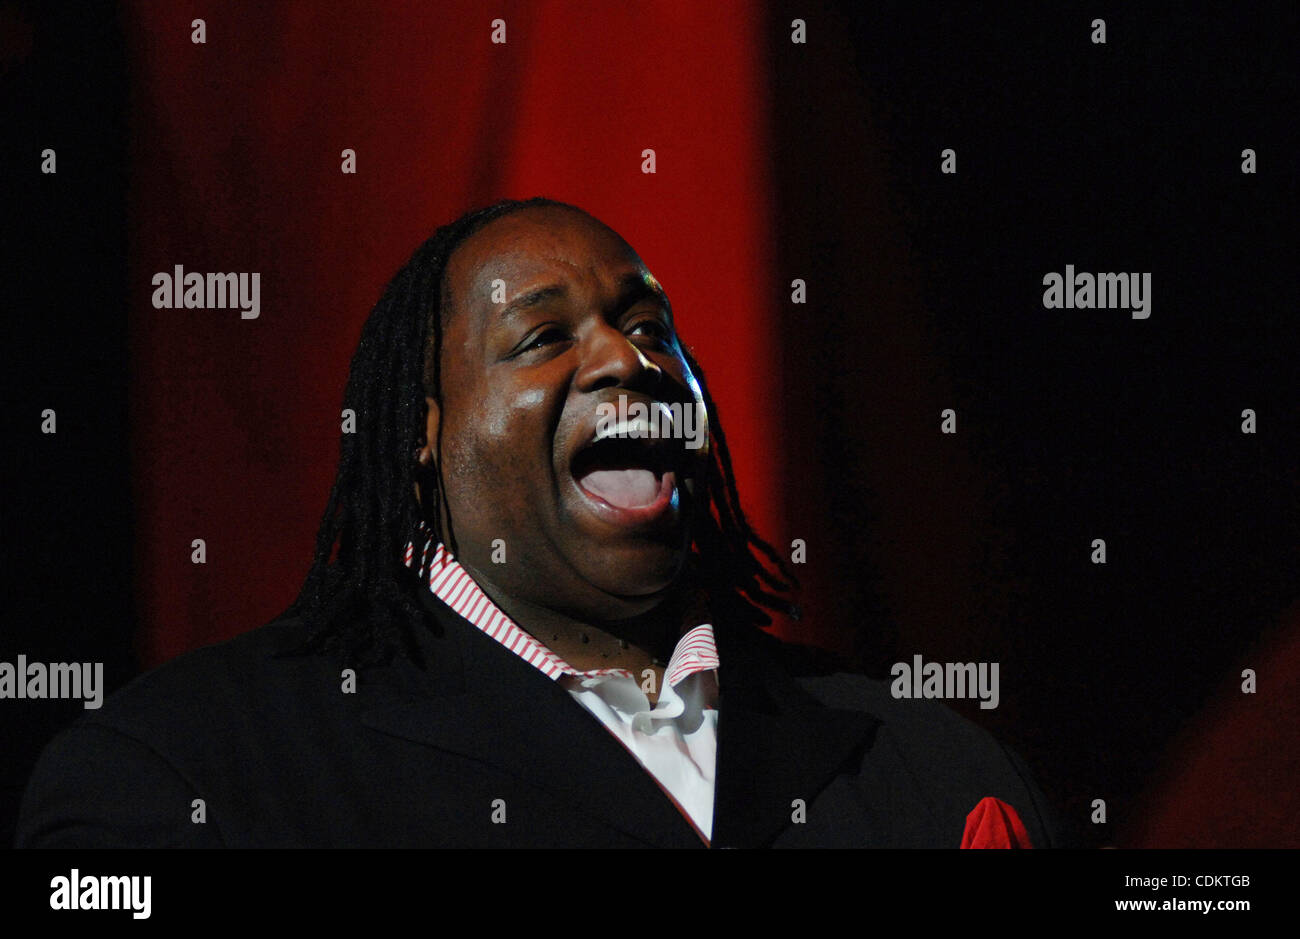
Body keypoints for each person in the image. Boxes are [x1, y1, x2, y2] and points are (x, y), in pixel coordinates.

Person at [16, 197, 1063, 848]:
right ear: (422, 434)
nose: (625, 359)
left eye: (648, 324)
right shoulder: (193, 767)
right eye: (542, 336)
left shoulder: (930, 769)